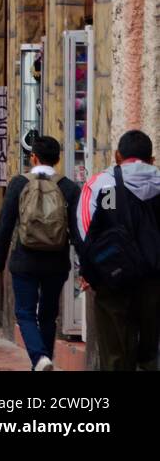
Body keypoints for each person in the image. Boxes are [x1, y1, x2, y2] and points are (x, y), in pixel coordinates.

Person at [0, 135, 80, 371]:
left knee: (25, 312)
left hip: (25, 260)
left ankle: (40, 359)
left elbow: (5, 226)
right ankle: (43, 361)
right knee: (48, 315)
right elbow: (78, 231)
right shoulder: (69, 187)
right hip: (56, 262)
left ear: (33, 157)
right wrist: (86, 267)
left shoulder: (19, 183)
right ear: (57, 160)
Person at [77, 129, 160, 371]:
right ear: (152, 159)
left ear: (117, 156)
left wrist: (88, 272)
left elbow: (93, 231)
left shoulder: (109, 189)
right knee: (151, 350)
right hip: (155, 282)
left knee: (114, 352)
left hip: (114, 279)